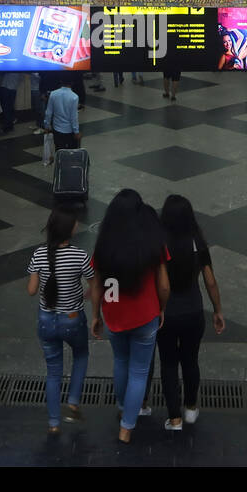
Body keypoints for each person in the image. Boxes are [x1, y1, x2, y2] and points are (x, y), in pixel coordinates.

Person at [91, 189, 171, 444]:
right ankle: (127, 427)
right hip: (145, 315)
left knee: (121, 362)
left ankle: (123, 406)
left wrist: (95, 315)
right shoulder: (153, 242)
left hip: (114, 313)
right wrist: (162, 308)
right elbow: (164, 285)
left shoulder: (104, 244)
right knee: (139, 370)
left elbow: (96, 285)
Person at [158, 194, 225, 430]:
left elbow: (160, 283)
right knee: (190, 360)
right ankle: (191, 409)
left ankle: (174, 418)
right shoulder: (197, 242)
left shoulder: (160, 242)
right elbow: (210, 281)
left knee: (167, 363)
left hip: (166, 314)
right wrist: (217, 310)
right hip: (193, 312)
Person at [27, 208, 96, 433]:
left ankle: (54, 424)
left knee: (53, 371)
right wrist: (86, 295)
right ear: (70, 230)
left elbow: (31, 290)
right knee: (81, 355)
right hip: (73, 319)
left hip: (46, 319)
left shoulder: (38, 254)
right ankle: (73, 401)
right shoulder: (80, 256)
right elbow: (94, 285)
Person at [44, 75, 81, 151]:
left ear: (60, 82)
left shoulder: (53, 94)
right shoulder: (74, 97)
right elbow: (73, 117)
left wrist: (47, 126)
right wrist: (76, 131)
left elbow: (48, 112)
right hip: (69, 130)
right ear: (72, 83)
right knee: (71, 152)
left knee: (59, 151)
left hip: (57, 128)